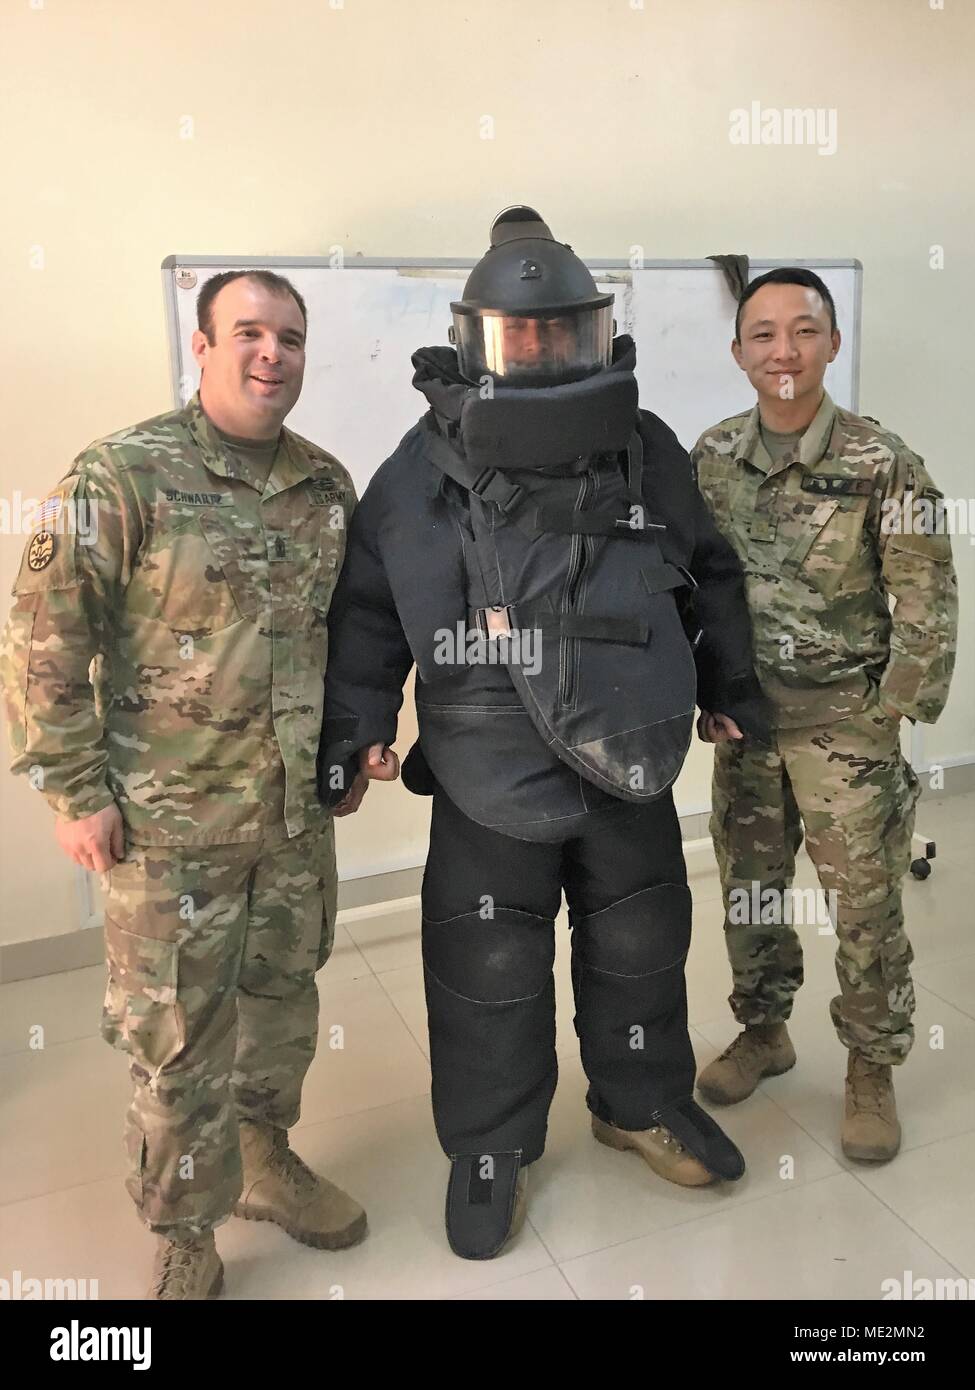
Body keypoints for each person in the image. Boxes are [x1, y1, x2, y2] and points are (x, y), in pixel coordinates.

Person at [320, 206, 769, 1260]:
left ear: (597, 333)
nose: (544, 355)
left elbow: (706, 571)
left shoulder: (644, 447)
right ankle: (492, 1147)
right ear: (473, 340)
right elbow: (369, 612)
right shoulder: (417, 470)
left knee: (643, 946)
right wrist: (355, 728)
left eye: (562, 333)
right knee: (488, 973)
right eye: (521, 339)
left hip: (630, 754)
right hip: (487, 775)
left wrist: (730, 679)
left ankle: (640, 1100)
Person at [0, 270, 365, 1298]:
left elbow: (344, 640)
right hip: (168, 830)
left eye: (290, 338)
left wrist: (352, 746)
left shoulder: (326, 485)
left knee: (283, 1004)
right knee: (177, 1040)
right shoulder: (120, 474)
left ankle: (264, 1160)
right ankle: (185, 1230)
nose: (272, 354)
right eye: (248, 332)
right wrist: (74, 792)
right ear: (199, 346)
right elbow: (38, 642)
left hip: (293, 818)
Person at [692, 267, 958, 1163]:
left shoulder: (882, 462)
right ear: (738, 353)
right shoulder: (710, 457)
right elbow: (688, 587)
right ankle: (764, 1030)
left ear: (831, 344)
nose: (782, 351)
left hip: (847, 731)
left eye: (802, 331)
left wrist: (892, 712)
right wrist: (702, 695)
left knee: (865, 909)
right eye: (762, 334)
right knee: (750, 892)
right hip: (747, 730)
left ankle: (870, 1069)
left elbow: (925, 589)